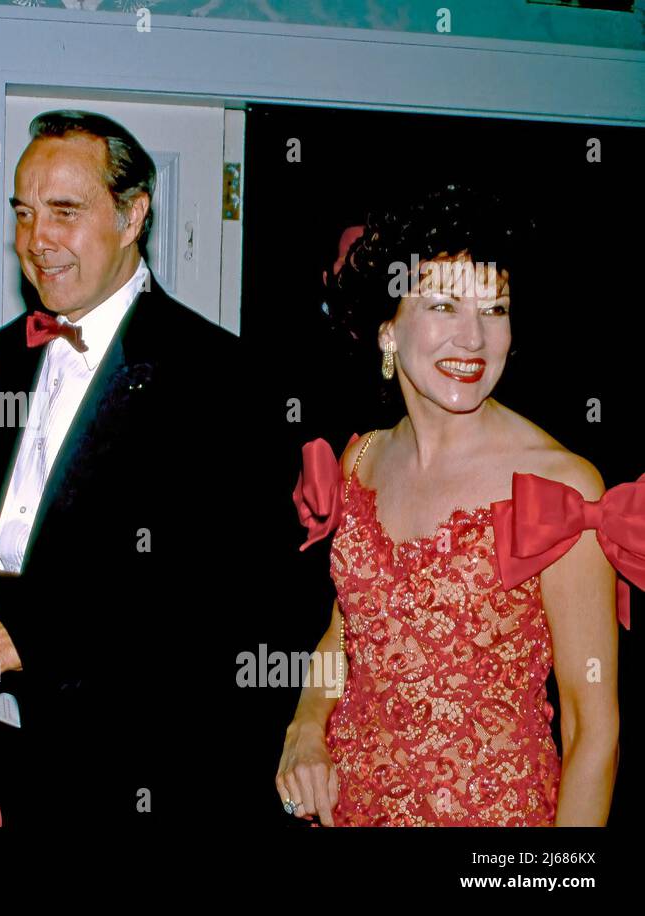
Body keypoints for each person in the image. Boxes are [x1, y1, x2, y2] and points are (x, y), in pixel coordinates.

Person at [0, 110, 246, 825]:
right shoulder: (11, 350)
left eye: (65, 211)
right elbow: (15, 537)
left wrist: (9, 644)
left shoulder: (215, 372)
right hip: (16, 746)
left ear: (133, 216)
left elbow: (209, 597)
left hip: (137, 758)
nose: (37, 241)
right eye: (25, 213)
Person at [283, 185, 641, 826]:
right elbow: (345, 636)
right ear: (388, 327)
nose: (473, 338)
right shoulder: (358, 460)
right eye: (444, 304)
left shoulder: (561, 489)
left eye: (495, 309)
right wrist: (307, 725)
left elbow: (594, 733)